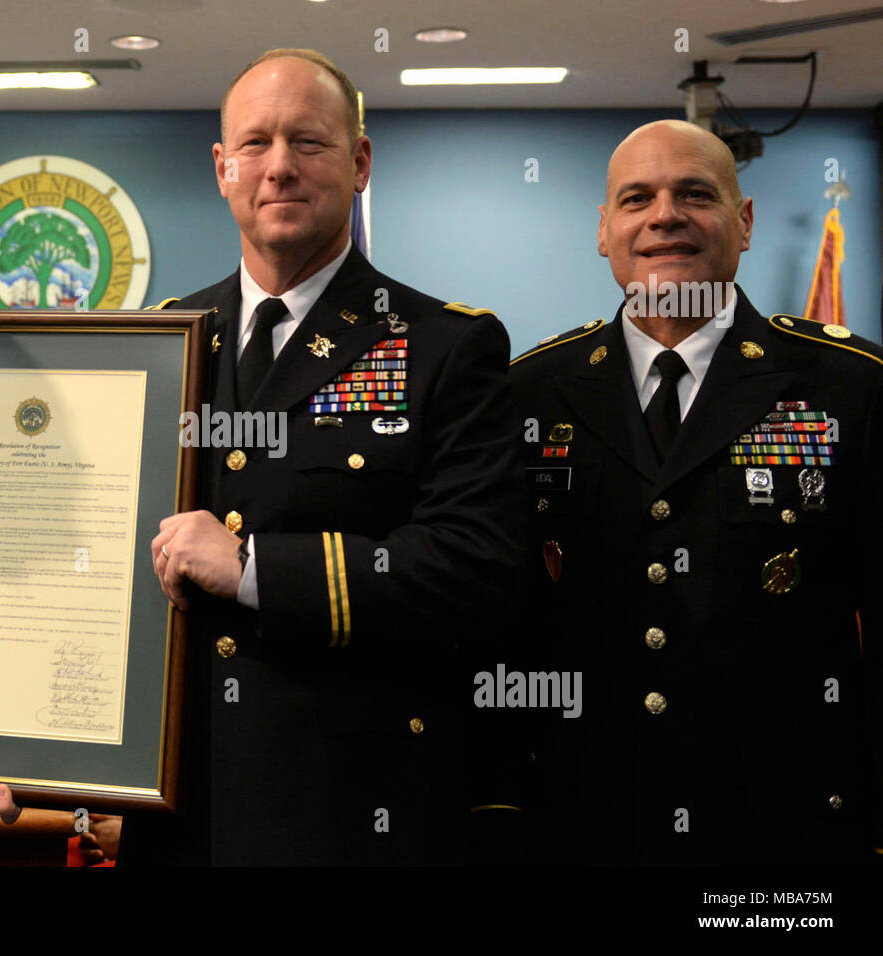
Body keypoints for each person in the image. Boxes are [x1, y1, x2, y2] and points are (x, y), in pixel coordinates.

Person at [124, 48, 526, 864]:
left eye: (308, 142)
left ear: (360, 161)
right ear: (222, 167)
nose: (279, 167)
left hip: (349, 809)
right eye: (256, 143)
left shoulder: (444, 345)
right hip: (176, 814)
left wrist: (250, 569)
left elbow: (474, 566)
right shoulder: (159, 339)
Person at [509, 119, 883, 864]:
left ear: (743, 223)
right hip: (584, 819)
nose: (664, 216)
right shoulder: (530, 391)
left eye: (695, 194)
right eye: (636, 198)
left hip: (784, 829)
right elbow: (501, 624)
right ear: (605, 231)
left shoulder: (851, 388)